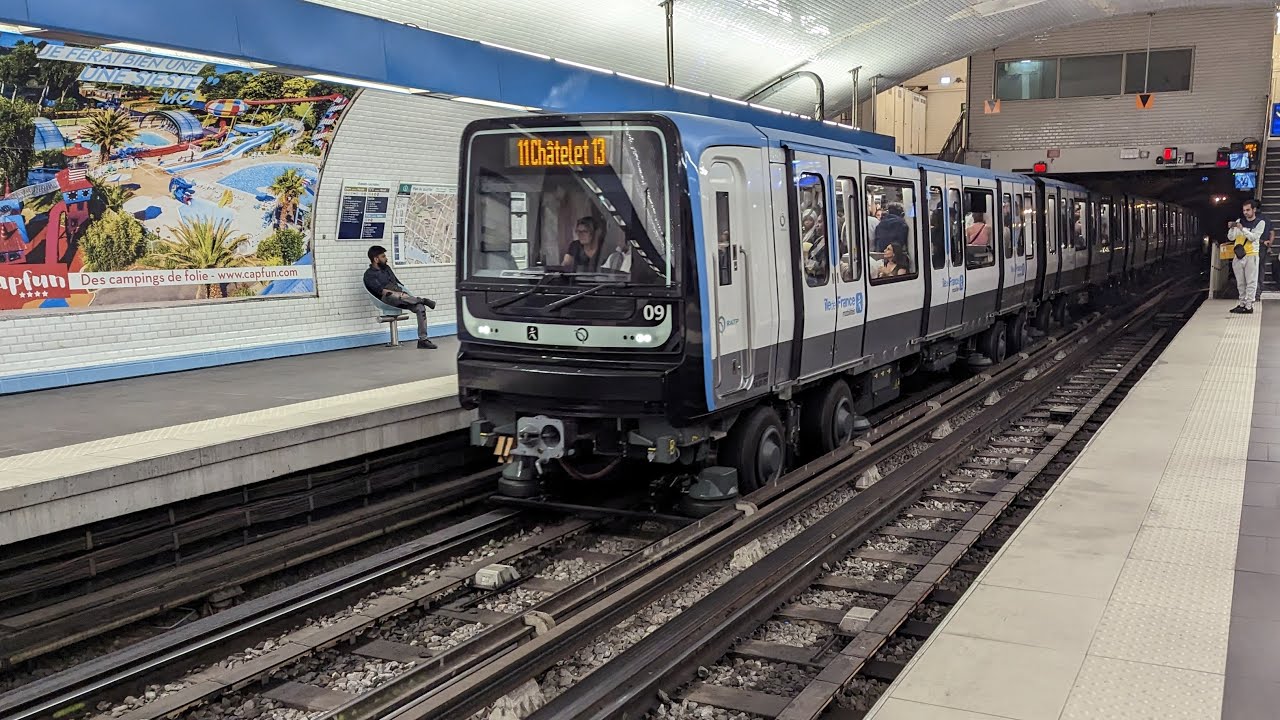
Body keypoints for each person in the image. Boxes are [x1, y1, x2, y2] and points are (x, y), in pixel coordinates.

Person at [363, 245, 437, 349]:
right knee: (395, 295)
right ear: (376, 259)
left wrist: (405, 293)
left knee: (420, 308)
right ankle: (422, 300)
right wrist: (397, 294)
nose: (386, 258)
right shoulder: (369, 274)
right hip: (386, 299)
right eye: (383, 256)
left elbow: (397, 283)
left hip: (401, 297)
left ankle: (423, 340)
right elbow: (382, 291)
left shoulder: (387, 269)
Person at [1228, 199, 1268, 314]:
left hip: (1252, 255)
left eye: (1248, 210)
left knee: (1251, 282)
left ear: (1254, 210)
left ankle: (1249, 305)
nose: (1245, 212)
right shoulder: (1239, 221)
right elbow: (1231, 238)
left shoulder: (1260, 223)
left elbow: (1253, 237)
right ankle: (1242, 304)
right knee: (1240, 282)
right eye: (1244, 210)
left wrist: (1242, 229)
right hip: (1238, 256)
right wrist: (1232, 228)